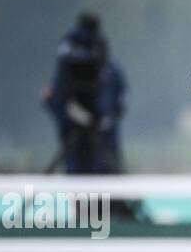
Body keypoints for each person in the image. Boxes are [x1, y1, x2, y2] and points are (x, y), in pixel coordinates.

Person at [41, 12, 127, 175]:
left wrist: (60, 106)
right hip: (101, 130)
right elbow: (119, 102)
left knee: (77, 172)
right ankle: (109, 197)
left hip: (74, 123)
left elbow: (57, 96)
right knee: (105, 171)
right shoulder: (107, 62)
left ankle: (85, 198)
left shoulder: (66, 52)